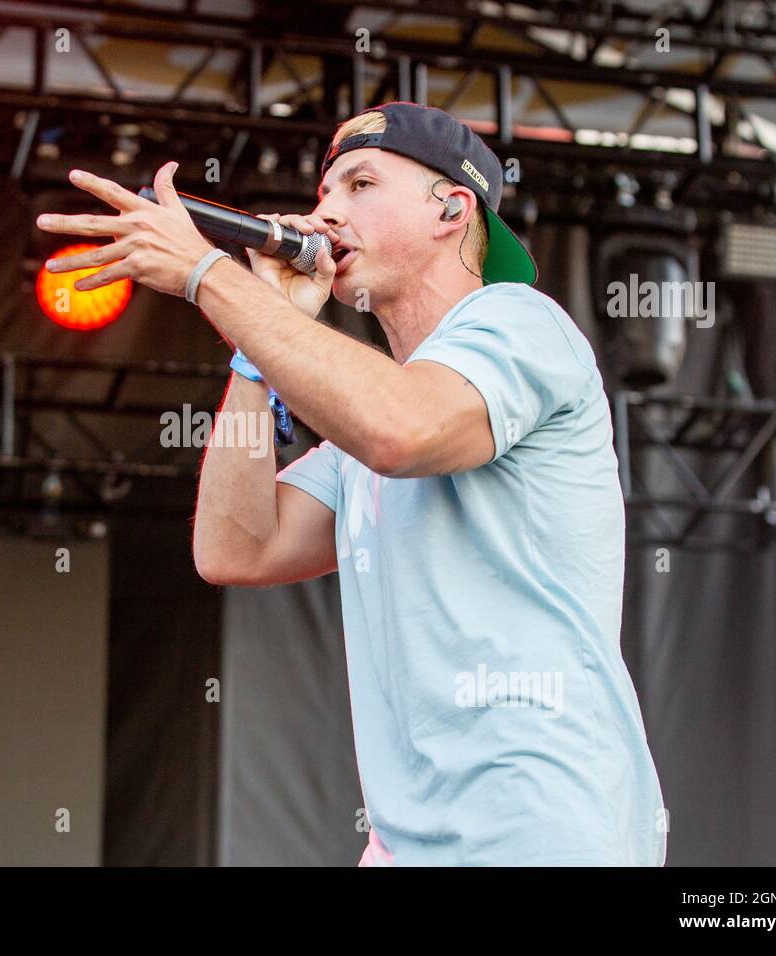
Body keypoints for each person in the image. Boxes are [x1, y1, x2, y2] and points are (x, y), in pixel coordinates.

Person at [36, 101, 667, 866]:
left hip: (535, 820)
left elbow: (400, 430)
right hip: (409, 841)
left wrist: (206, 275)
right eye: (324, 192)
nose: (325, 212)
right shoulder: (371, 418)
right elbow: (235, 548)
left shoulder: (519, 323)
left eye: (360, 185)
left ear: (451, 207)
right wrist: (252, 347)